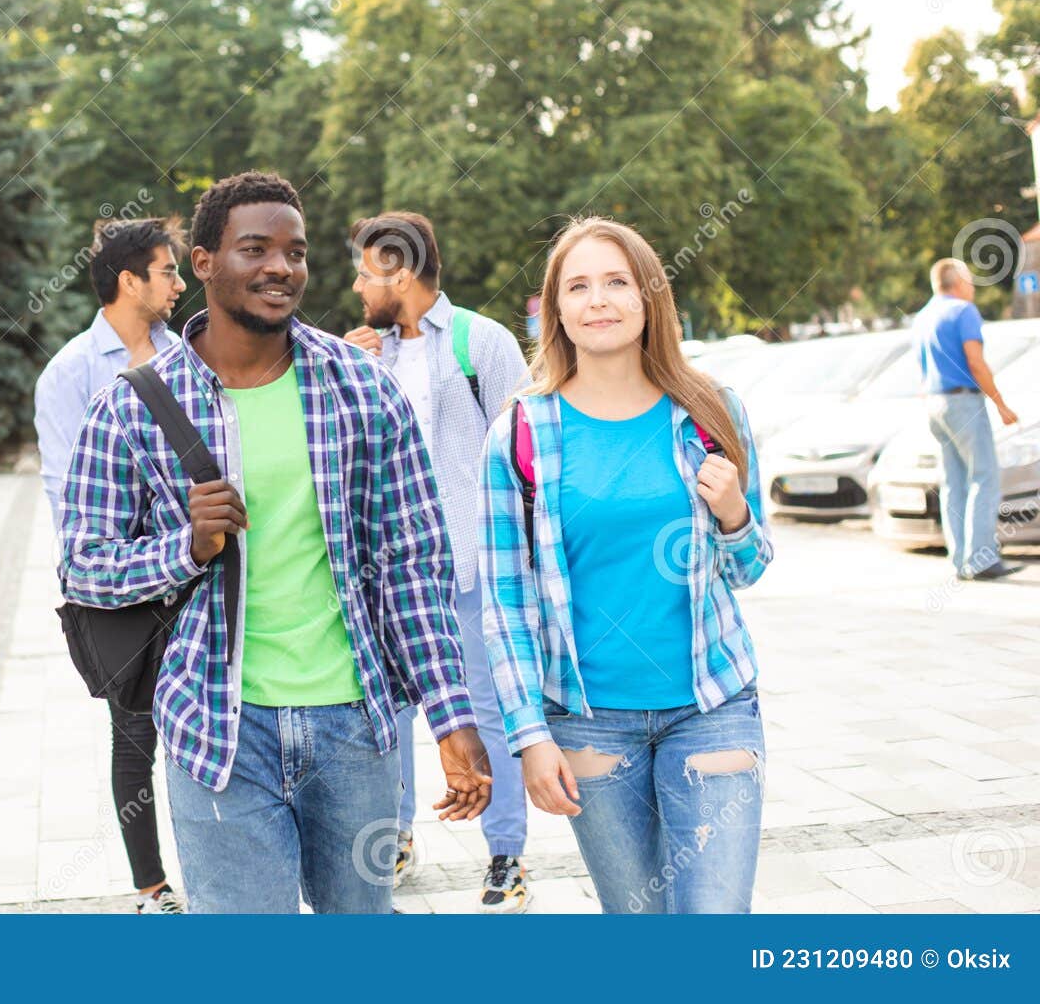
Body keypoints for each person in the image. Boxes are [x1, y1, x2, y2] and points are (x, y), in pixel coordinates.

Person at [56, 171, 493, 914]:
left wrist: (451, 714)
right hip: (218, 730)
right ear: (202, 262)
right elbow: (83, 566)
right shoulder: (130, 407)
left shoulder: (361, 386)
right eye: (254, 248)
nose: (280, 268)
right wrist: (185, 548)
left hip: (356, 728)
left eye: (295, 252)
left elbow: (413, 563)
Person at [480, 216, 773, 914]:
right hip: (588, 723)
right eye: (577, 286)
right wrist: (528, 734)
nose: (598, 299)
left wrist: (734, 513)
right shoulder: (520, 433)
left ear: (648, 297)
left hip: (713, 709)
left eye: (616, 281)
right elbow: (506, 602)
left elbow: (752, 567)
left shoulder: (710, 411)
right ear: (556, 309)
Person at [343, 211, 533, 912]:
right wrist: (349, 372)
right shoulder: (362, 352)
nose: (358, 285)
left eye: (367, 271)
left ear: (400, 271)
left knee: (487, 715)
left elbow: (526, 453)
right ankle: (395, 836)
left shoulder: (481, 341)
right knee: (385, 716)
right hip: (385, 575)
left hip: (470, 572)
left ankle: (506, 854)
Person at [33, 215, 188, 914]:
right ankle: (151, 885)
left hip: (195, 575)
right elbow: (72, 499)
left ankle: (221, 870)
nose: (181, 284)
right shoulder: (69, 373)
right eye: (168, 271)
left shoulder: (188, 353)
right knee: (134, 738)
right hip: (123, 590)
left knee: (209, 724)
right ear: (130, 281)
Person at [911, 258, 1021, 580]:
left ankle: (960, 560)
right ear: (956, 283)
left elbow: (920, 368)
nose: (973, 286)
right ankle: (983, 559)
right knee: (984, 477)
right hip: (963, 401)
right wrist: (1000, 404)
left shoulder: (922, 317)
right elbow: (975, 362)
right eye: (970, 280)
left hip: (935, 402)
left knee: (953, 481)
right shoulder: (963, 311)